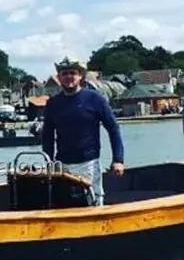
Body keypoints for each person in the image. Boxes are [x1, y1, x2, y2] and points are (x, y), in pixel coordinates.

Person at [41, 57, 124, 206]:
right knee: (62, 204)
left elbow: (113, 128)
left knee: (93, 202)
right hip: (62, 165)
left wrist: (118, 159)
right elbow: (47, 135)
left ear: (80, 76)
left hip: (88, 163)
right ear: (59, 77)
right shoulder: (53, 103)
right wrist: (49, 161)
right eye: (64, 73)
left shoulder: (95, 99)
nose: (68, 77)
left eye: (72, 73)